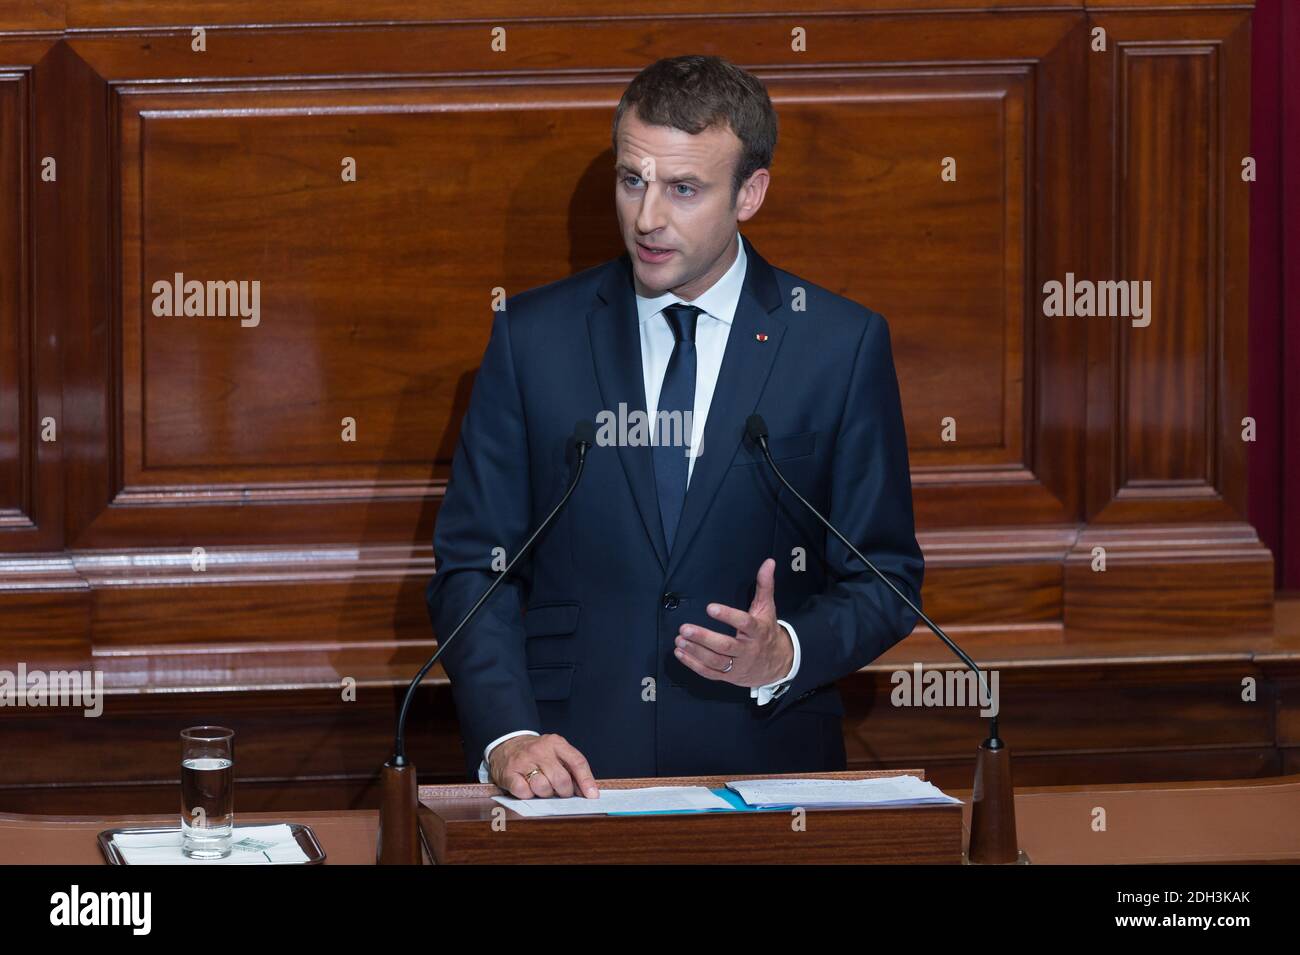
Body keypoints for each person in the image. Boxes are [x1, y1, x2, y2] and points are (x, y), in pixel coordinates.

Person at [425, 54, 923, 798]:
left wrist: (784, 649)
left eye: (684, 189)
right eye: (633, 180)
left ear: (749, 192)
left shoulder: (837, 345)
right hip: (570, 774)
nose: (647, 217)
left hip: (763, 773)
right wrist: (508, 733)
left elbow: (886, 578)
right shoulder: (534, 338)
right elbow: (475, 563)